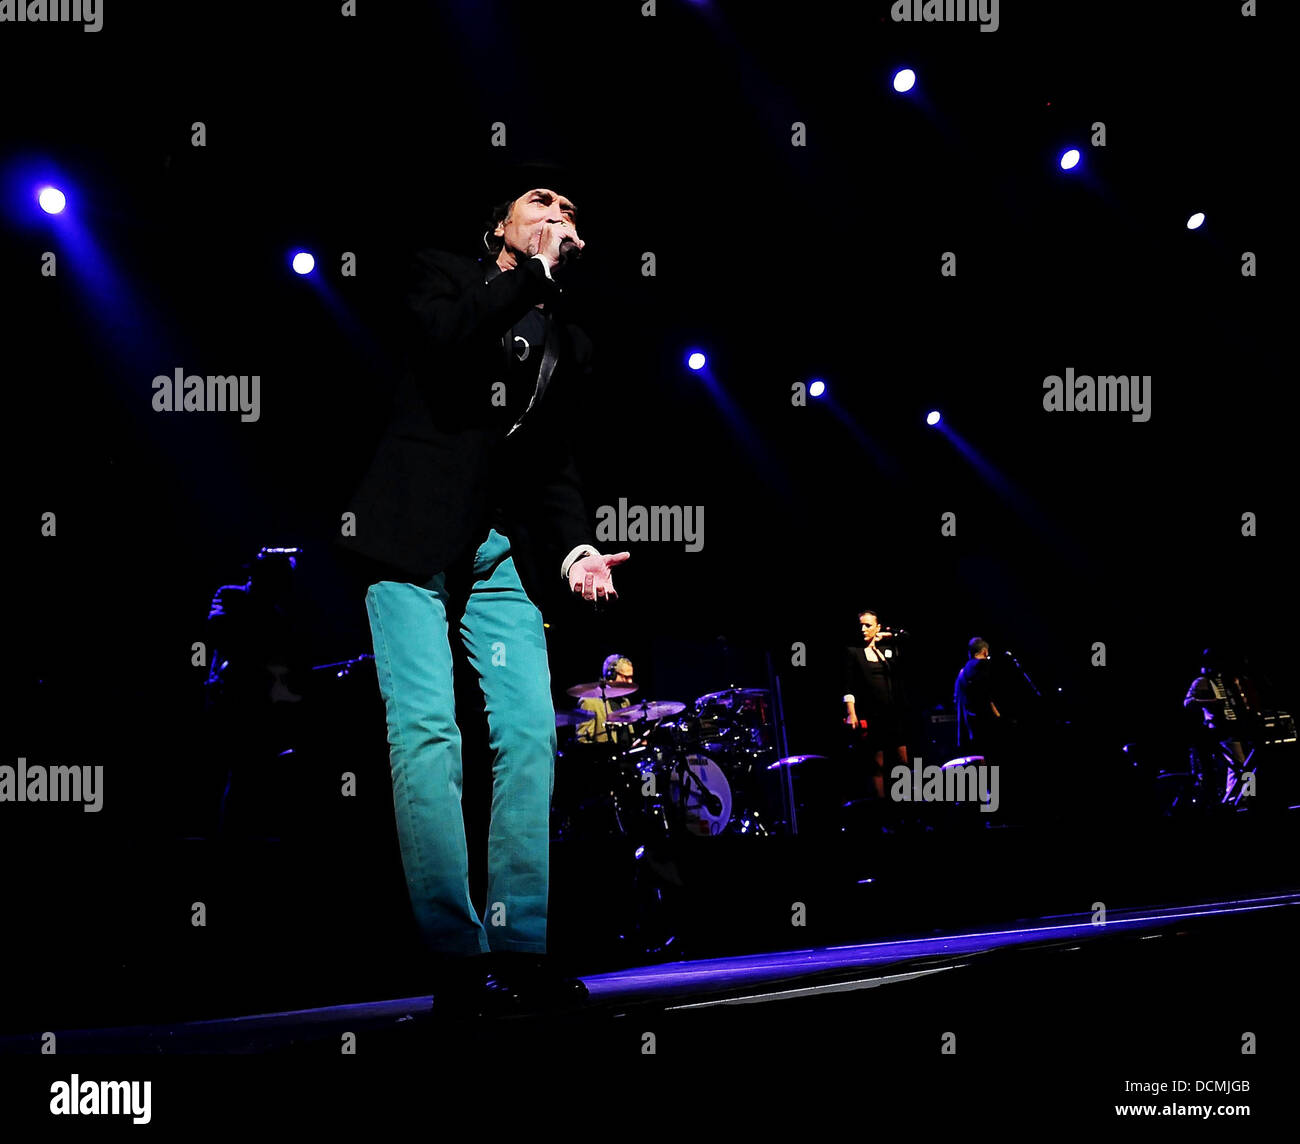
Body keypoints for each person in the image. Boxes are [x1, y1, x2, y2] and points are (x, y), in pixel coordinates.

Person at [337, 180, 629, 1015]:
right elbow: (443, 343)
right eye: (542, 202)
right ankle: (455, 960)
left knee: (534, 732)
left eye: (573, 210)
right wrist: (529, 276)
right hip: (409, 535)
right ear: (499, 224)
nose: (560, 216)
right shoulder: (445, 276)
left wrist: (575, 548)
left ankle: (522, 948)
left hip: (499, 550)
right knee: (429, 732)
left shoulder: (564, 337)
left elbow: (552, 463)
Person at [842, 609, 908, 799]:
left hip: (893, 713)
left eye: (868, 625)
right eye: (861, 625)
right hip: (872, 714)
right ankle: (882, 811)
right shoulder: (853, 652)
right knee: (877, 764)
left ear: (877, 628)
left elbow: (908, 639)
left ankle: (905, 806)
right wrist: (851, 713)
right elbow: (848, 686)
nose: (863, 629)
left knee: (902, 760)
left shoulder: (885, 651)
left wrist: (889, 635)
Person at [953, 637, 1000, 755]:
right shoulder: (984, 666)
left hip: (969, 734)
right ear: (985, 652)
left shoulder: (962, 672)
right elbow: (988, 694)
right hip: (987, 728)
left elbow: (956, 700)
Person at [575, 654, 635, 746]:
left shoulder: (625, 702)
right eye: (626, 677)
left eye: (631, 677)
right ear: (611, 675)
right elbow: (582, 741)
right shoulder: (589, 702)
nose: (630, 682)